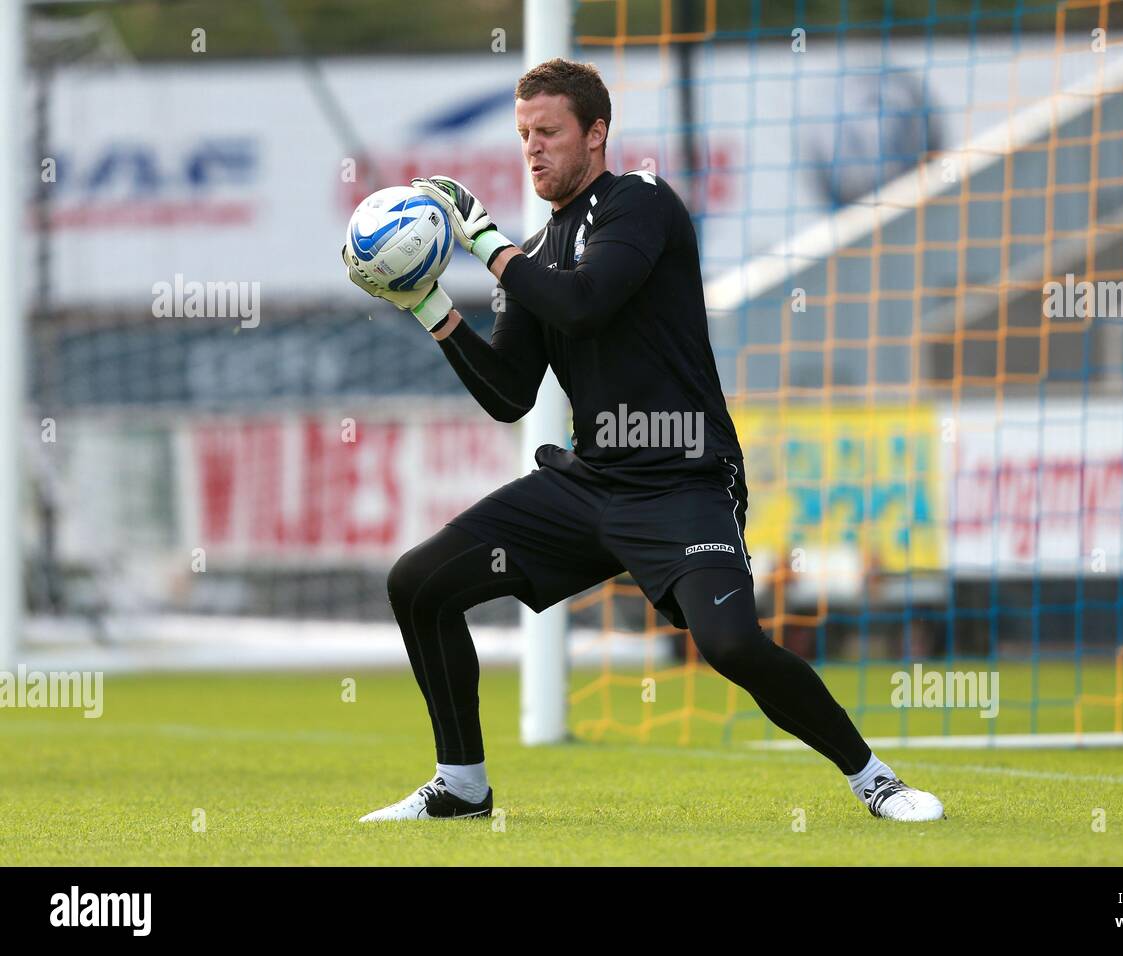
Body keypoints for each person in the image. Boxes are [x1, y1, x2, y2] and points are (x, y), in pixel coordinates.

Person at [343, 57, 944, 823]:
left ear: (596, 134)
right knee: (418, 583)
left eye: (549, 132)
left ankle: (875, 780)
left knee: (731, 647)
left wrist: (485, 239)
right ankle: (461, 785)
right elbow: (509, 394)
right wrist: (428, 306)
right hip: (588, 485)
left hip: (684, 481)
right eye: (524, 134)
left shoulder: (641, 203)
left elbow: (587, 302)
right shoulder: (533, 251)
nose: (533, 149)